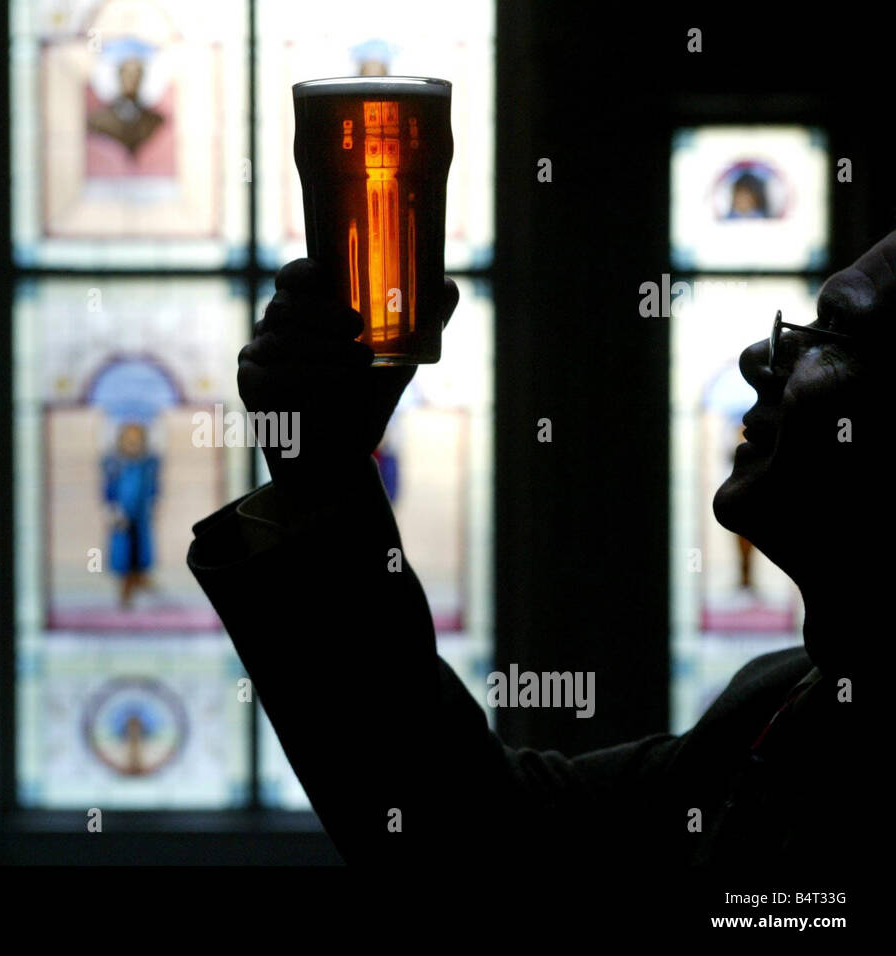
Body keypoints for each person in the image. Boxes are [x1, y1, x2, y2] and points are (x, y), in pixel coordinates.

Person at [188, 231, 889, 872]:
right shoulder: (777, 706)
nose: (759, 357)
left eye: (835, 333)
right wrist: (322, 469)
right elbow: (484, 839)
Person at [104, 422, 160, 608]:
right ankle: (126, 590)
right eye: (129, 440)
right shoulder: (115, 465)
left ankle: (140, 580)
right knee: (124, 554)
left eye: (136, 440)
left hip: (141, 517)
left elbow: (153, 489)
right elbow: (109, 492)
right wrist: (114, 511)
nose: (133, 444)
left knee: (140, 552)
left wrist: (153, 505)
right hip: (122, 518)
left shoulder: (148, 465)